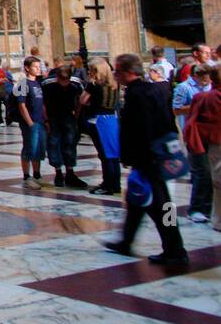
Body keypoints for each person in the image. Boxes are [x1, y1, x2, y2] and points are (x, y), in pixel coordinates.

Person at [104, 53, 188, 266]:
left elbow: (140, 129)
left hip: (148, 159)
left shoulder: (137, 95)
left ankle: (175, 249)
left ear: (128, 72)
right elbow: (168, 121)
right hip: (152, 156)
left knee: (162, 205)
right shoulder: (152, 90)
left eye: (118, 71)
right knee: (135, 200)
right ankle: (126, 240)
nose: (115, 75)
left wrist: (134, 156)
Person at [172, 60, 212, 224]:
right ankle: (196, 208)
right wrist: (198, 104)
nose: (208, 81)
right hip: (193, 132)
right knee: (200, 172)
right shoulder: (184, 87)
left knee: (210, 174)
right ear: (196, 75)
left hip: (210, 133)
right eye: (205, 78)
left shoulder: (210, 88)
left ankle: (209, 208)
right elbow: (176, 109)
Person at [183, 64, 221, 233]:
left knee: (216, 181)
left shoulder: (203, 97)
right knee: (211, 178)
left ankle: (216, 218)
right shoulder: (205, 97)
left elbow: (192, 123)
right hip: (213, 144)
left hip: (210, 143)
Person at [79, 58, 121, 195]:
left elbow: (82, 100)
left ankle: (108, 185)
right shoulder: (115, 83)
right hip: (112, 119)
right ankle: (115, 183)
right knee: (113, 153)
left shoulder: (94, 84)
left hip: (99, 120)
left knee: (104, 154)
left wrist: (91, 102)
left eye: (91, 69)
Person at [42, 66, 86, 187]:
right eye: (62, 81)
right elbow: (42, 103)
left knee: (70, 143)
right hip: (52, 117)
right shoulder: (47, 84)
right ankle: (58, 172)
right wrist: (46, 120)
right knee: (54, 143)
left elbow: (80, 100)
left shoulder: (75, 84)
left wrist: (76, 115)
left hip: (68, 115)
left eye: (67, 81)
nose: (64, 84)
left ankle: (70, 172)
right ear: (57, 78)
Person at [15, 55, 47, 189]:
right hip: (30, 122)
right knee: (29, 148)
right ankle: (27, 176)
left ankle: (37, 174)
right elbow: (21, 104)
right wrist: (29, 122)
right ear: (27, 68)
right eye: (35, 67)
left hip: (40, 121)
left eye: (39, 67)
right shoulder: (22, 83)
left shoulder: (39, 83)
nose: (38, 69)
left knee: (39, 149)